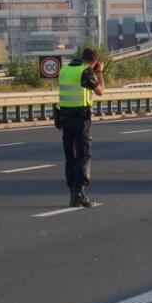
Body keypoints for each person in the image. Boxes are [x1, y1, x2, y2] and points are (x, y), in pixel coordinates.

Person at [56, 47, 105, 208]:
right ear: (95, 61)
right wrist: (100, 72)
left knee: (70, 158)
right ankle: (80, 195)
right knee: (84, 156)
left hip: (64, 117)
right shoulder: (86, 72)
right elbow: (100, 92)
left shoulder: (64, 69)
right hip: (80, 119)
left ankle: (72, 194)